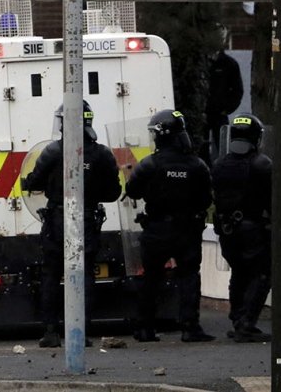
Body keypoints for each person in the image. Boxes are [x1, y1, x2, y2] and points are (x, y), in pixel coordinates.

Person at [21, 105, 122, 348]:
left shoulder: (53, 152)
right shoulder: (102, 154)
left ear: (65, 123)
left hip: (57, 221)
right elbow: (113, 192)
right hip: (87, 221)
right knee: (85, 274)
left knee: (52, 274)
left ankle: (51, 331)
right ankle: (80, 331)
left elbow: (33, 182)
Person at [126, 109, 213, 342]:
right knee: (189, 277)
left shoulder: (149, 165)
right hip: (187, 230)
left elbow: (132, 191)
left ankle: (145, 328)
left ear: (160, 135)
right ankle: (190, 327)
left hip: (156, 229)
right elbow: (206, 199)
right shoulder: (197, 166)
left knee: (151, 278)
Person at [211, 112, 271, 343]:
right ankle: (246, 323)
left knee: (239, 272)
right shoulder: (262, 164)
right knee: (261, 274)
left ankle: (237, 319)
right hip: (253, 229)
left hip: (227, 230)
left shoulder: (219, 163)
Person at [208, 49, 246, 150]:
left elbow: (237, 90)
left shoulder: (229, 64)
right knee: (200, 146)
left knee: (223, 145)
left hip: (219, 114)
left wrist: (227, 109)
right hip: (201, 114)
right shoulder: (199, 61)